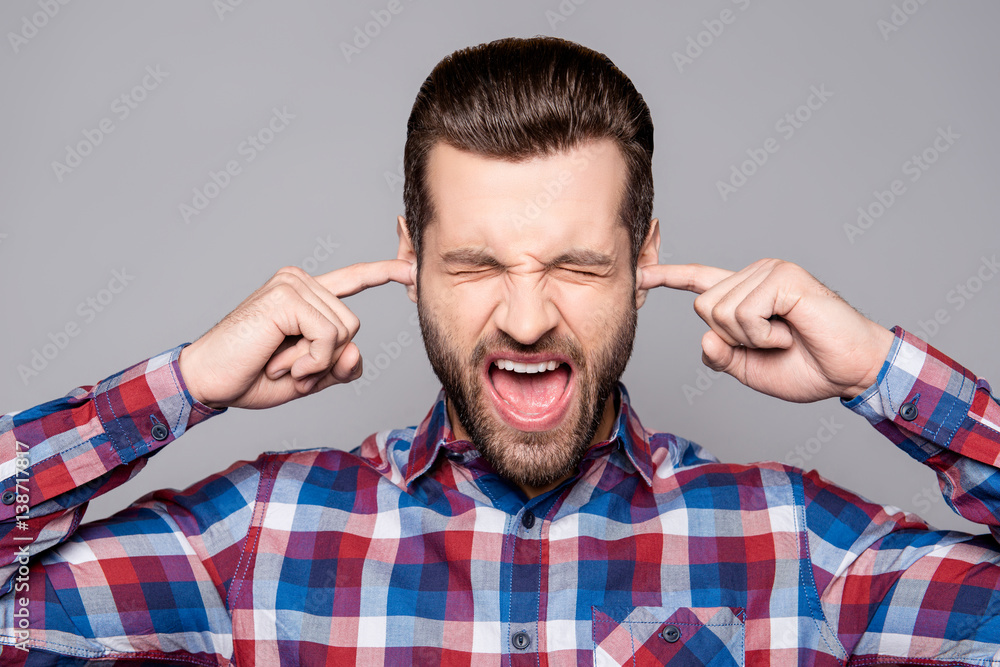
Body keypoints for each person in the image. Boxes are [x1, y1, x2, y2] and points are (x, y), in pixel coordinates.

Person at [1, 35, 998, 666]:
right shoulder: (260, 534)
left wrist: (880, 374)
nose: (526, 320)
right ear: (411, 256)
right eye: (477, 264)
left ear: (643, 259)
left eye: (573, 263)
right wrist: (183, 387)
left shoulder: (792, 542)